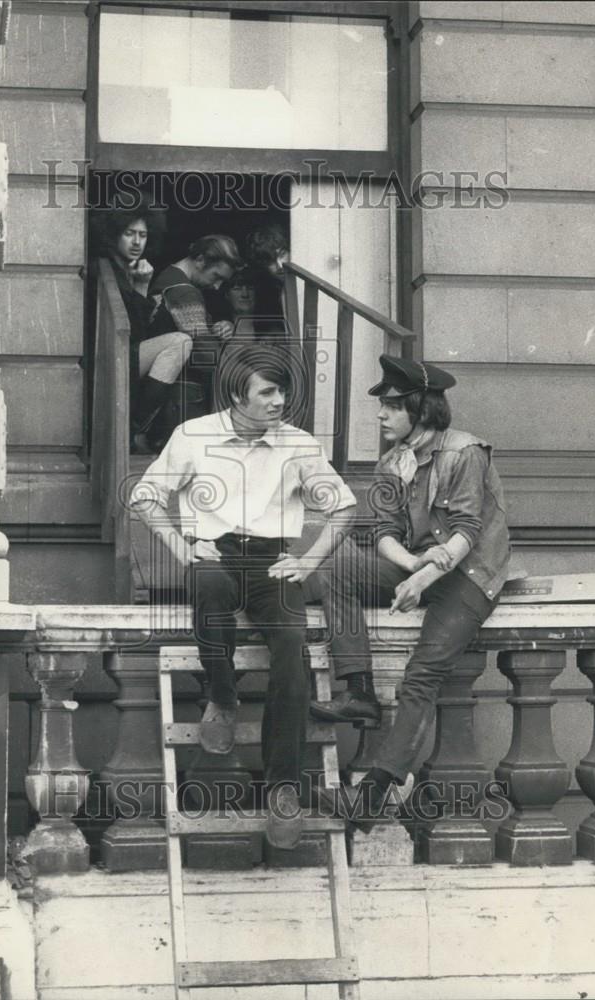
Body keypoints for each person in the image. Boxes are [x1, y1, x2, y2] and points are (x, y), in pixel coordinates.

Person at [131, 345, 357, 849]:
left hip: (274, 561)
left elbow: (343, 509)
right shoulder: (194, 436)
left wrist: (308, 560)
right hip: (215, 553)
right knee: (209, 587)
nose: (279, 402)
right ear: (238, 395)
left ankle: (283, 789)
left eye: (283, 392)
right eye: (268, 392)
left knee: (292, 649)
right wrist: (184, 546)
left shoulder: (298, 445)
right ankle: (222, 698)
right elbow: (144, 496)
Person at [311, 355, 511, 827]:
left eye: (392, 406)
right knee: (337, 567)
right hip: (423, 567)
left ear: (420, 409)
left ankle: (373, 795)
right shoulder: (390, 463)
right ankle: (358, 689)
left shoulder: (465, 453)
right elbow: (383, 532)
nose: (381, 414)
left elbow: (465, 530)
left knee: (420, 678)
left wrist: (423, 578)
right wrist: (410, 567)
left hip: (469, 577)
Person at [100, 205, 192, 454]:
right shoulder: (106, 270)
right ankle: (133, 428)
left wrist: (142, 286)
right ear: (114, 233)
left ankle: (134, 427)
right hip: (106, 356)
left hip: (124, 354)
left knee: (180, 344)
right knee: (180, 342)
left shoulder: (130, 271)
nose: (136, 241)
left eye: (143, 235)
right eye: (129, 233)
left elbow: (138, 334)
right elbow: (129, 332)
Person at [147, 235, 243, 423]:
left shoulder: (169, 276)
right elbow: (206, 353)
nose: (217, 286)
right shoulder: (183, 291)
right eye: (216, 277)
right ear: (200, 260)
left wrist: (220, 328)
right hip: (182, 398)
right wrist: (249, 375)